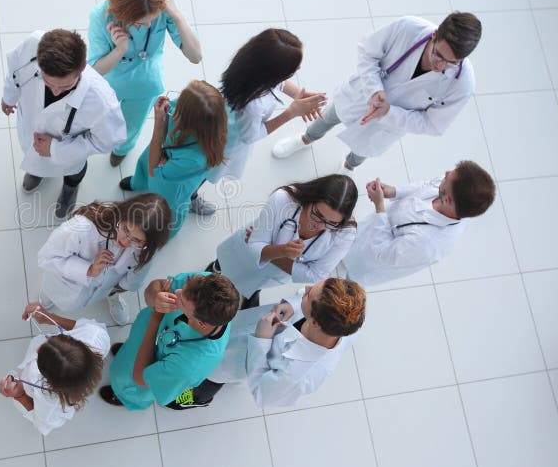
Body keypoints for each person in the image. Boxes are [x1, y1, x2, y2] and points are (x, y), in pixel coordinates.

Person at [272, 13, 482, 172]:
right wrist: (374, 90)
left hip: (389, 124)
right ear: (434, 35)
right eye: (438, 54)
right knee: (328, 118)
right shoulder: (408, 29)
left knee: (362, 151)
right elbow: (367, 51)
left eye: (451, 62)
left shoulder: (462, 84)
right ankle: (305, 140)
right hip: (360, 94)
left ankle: (347, 168)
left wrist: (389, 113)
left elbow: (433, 125)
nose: (440, 65)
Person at [181, 278, 365, 408]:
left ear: (315, 323)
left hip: (235, 363)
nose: (306, 289)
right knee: (226, 334)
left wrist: (261, 341)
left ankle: (196, 398)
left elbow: (262, 393)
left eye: (308, 296)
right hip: (242, 328)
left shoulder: (301, 377)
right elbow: (305, 295)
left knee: (212, 376)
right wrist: (294, 303)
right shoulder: (340, 319)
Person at [1, 29, 126, 218]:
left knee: (73, 171)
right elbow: (14, 72)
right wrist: (9, 96)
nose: (56, 92)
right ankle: (37, 171)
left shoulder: (102, 102)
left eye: (66, 86)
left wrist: (56, 149)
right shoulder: (32, 45)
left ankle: (70, 188)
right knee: (34, 155)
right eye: (48, 83)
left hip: (69, 153)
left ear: (83, 67)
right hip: (31, 130)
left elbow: (107, 141)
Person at [88, 0, 202, 169]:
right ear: (123, 14)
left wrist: (177, 16)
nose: (149, 25)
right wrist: (120, 49)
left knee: (131, 125)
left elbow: (195, 56)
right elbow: (94, 71)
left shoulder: (162, 9)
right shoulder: (100, 17)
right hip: (109, 78)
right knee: (98, 120)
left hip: (145, 81)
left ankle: (121, 150)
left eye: (153, 20)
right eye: (141, 23)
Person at [209, 175, 357, 307]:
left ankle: (251, 291)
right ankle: (215, 268)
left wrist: (271, 250)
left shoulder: (345, 233)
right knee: (228, 263)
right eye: (317, 214)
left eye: (332, 223)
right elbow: (254, 248)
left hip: (273, 273)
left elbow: (315, 275)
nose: (319, 225)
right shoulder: (283, 199)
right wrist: (283, 253)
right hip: (244, 254)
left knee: (253, 284)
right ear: (311, 197)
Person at [98, 272, 239, 410]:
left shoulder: (190, 366)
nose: (176, 292)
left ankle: (122, 397)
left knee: (125, 383)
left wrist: (156, 318)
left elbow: (140, 377)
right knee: (129, 353)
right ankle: (127, 353)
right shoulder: (203, 286)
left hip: (147, 373)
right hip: (144, 336)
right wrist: (156, 297)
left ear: (202, 323)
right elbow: (155, 286)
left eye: (182, 301)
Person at [343, 160, 495, 285]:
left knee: (349, 272)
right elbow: (426, 185)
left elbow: (384, 253)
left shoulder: (429, 243)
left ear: (447, 200)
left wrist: (379, 206)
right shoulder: (453, 192)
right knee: (348, 242)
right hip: (370, 229)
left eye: (448, 177)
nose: (446, 173)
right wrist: (395, 191)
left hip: (368, 260)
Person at [207, 28, 326, 185]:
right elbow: (251, 136)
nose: (299, 68)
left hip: (219, 118)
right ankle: (191, 194)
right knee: (205, 169)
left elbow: (278, 83)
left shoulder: (250, 64)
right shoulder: (252, 107)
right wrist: (291, 112)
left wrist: (298, 94)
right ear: (274, 72)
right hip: (227, 140)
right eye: (294, 67)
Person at [37, 193, 172, 325]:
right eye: (125, 229)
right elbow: (47, 257)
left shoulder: (146, 248)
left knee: (112, 288)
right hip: (63, 279)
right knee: (53, 291)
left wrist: (121, 287)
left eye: (136, 240)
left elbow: (137, 273)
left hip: (109, 285)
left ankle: (112, 296)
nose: (124, 241)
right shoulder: (81, 228)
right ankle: (50, 295)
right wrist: (88, 270)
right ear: (123, 214)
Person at [119, 80, 227, 236]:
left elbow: (152, 169)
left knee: (167, 209)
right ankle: (138, 183)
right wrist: (159, 159)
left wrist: (158, 123)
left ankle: (165, 234)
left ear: (192, 121)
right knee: (144, 165)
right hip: (163, 156)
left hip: (172, 187)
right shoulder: (187, 110)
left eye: (180, 107)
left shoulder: (196, 159)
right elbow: (153, 164)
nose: (174, 107)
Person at [0, 301, 109, 436]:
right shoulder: (96, 335)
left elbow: (40, 424)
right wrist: (48, 317)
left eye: (39, 354)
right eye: (56, 339)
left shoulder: (52, 407)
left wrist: (20, 395)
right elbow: (80, 326)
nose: (39, 346)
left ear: (47, 378)